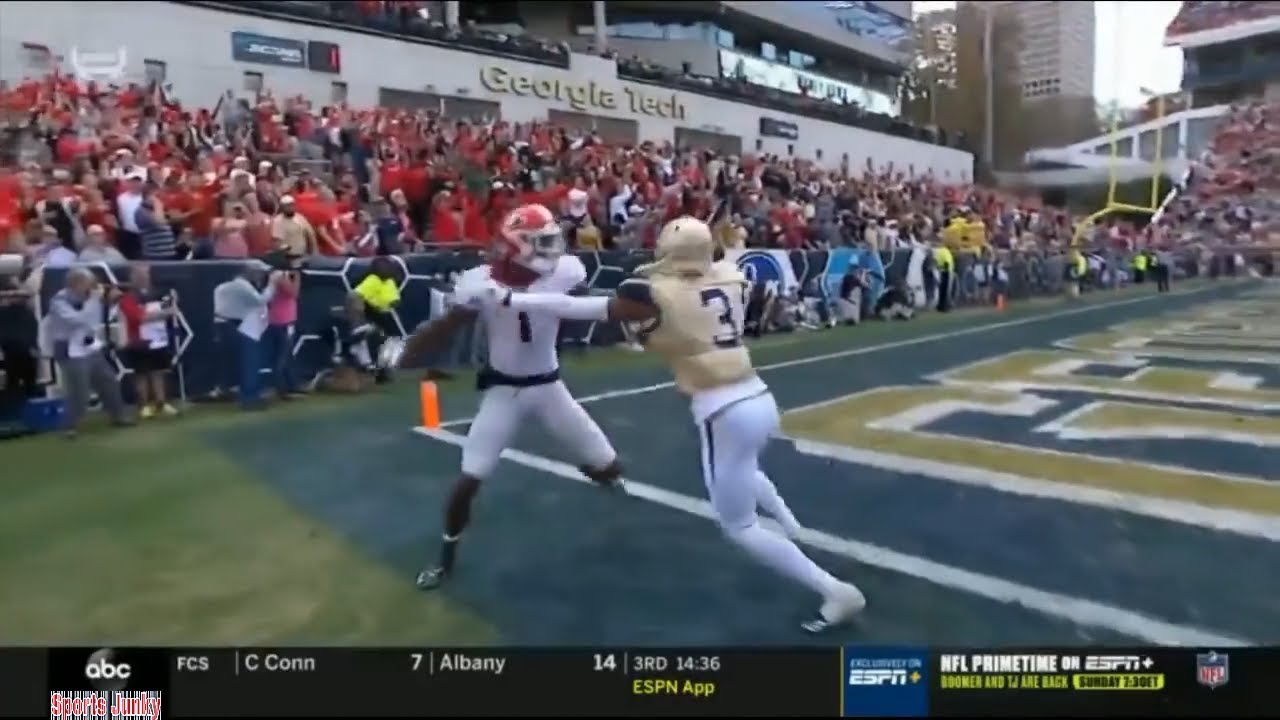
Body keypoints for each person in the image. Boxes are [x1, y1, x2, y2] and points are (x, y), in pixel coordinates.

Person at [474, 216, 866, 633]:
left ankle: (833, 589)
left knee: (739, 525)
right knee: (746, 466)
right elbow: (699, 276)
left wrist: (511, 301)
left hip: (724, 407)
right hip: (757, 395)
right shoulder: (730, 277)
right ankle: (792, 526)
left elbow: (579, 307)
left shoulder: (655, 294)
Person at [390, 203, 624, 590]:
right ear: (516, 248)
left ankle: (595, 468)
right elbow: (445, 328)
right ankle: (446, 557)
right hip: (505, 391)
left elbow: (579, 301)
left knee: (610, 469)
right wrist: (406, 353)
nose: (553, 249)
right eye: (542, 242)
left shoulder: (565, 272)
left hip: (550, 387)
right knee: (470, 478)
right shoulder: (481, 284)